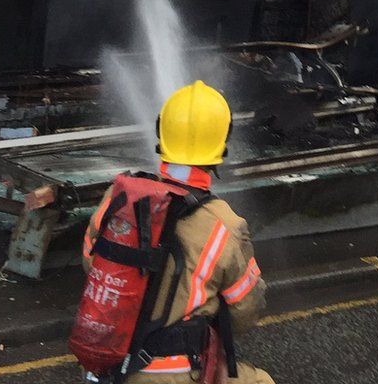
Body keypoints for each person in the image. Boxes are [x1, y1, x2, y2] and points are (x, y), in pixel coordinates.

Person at [82, 81, 275, 383]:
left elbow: (91, 263)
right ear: (222, 144)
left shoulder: (118, 198)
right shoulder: (226, 225)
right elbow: (245, 311)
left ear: (162, 133)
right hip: (174, 374)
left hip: (108, 364)